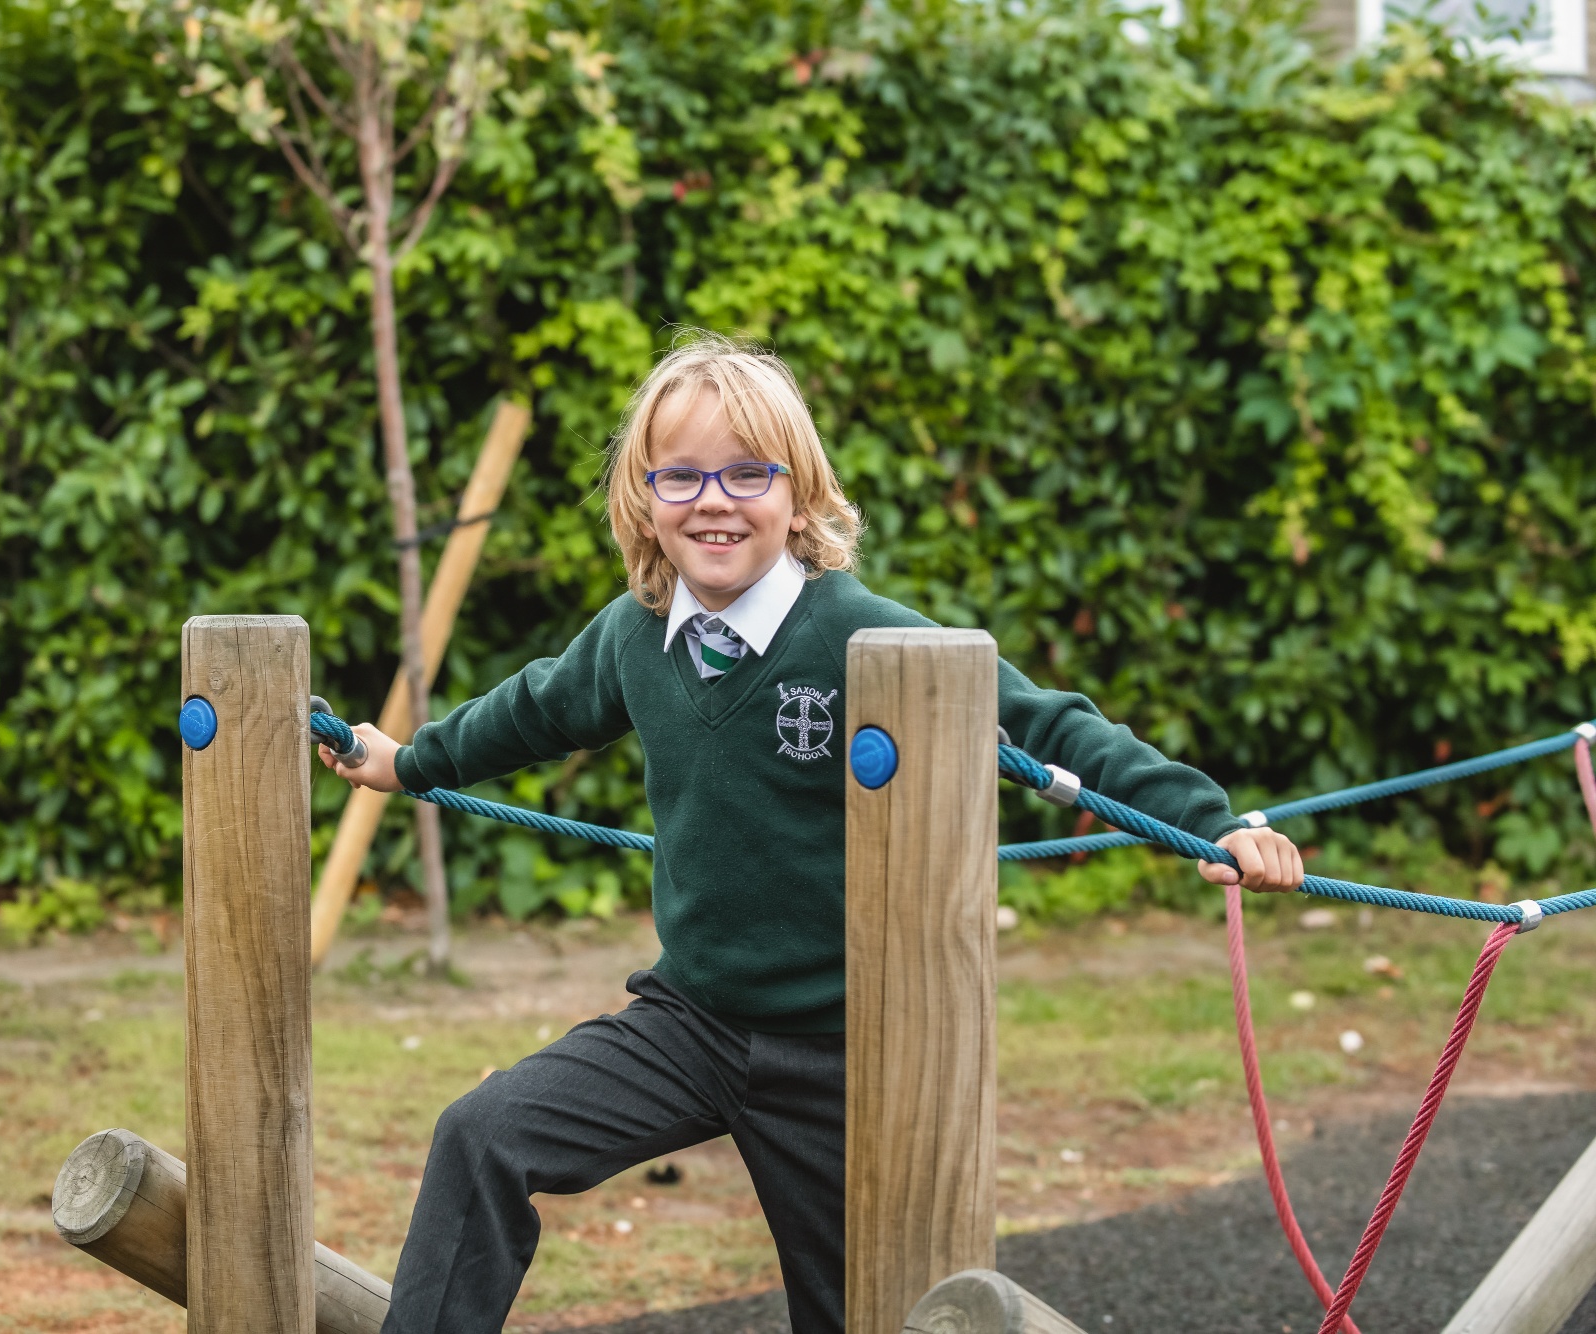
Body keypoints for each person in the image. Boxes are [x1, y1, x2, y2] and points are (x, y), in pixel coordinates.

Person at [319, 332, 1303, 1334]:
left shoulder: (860, 634)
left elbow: (1050, 723)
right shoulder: (630, 634)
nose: (713, 498)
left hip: (844, 1046)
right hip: (689, 1021)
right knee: (482, 1135)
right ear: (642, 499)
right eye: (682, 475)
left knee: (860, 1312)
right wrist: (408, 761)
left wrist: (1212, 824)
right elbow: (529, 710)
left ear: (798, 497)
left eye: (747, 472)